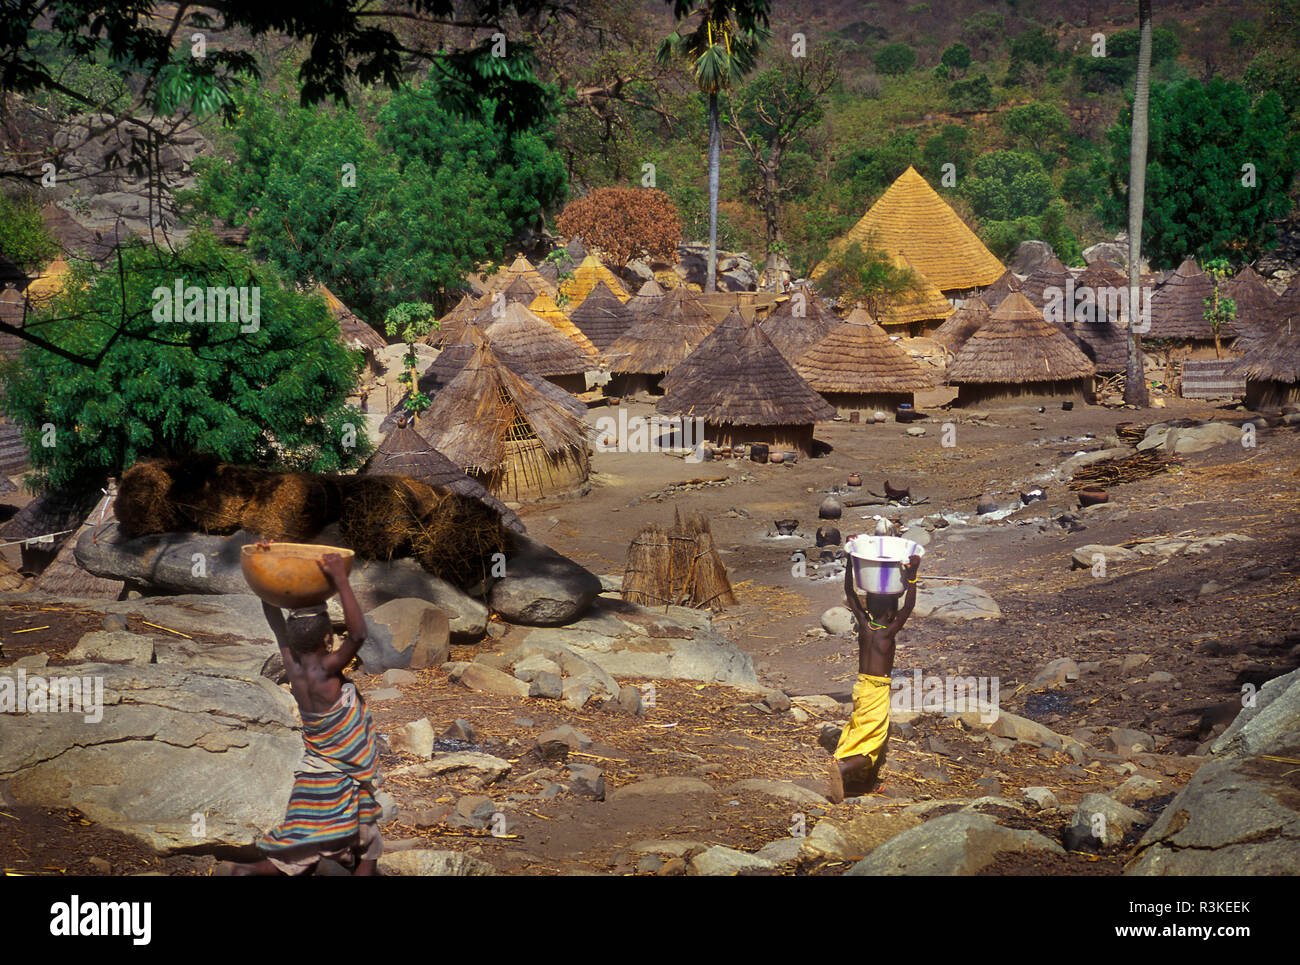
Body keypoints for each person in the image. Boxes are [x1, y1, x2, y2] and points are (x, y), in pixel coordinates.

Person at [222, 550, 383, 875]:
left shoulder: (293, 668)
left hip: (311, 777)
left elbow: (274, 617)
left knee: (299, 845)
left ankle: (250, 870)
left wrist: (262, 569)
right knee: (369, 844)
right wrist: (340, 579)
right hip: (341, 777)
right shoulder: (328, 668)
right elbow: (359, 635)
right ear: (328, 639)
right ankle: (253, 871)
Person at [827, 554, 921, 803]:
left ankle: (864, 782)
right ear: (891, 612)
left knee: (860, 730)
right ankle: (842, 769)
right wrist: (912, 577)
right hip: (878, 690)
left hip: (861, 686)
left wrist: (849, 561)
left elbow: (849, 592)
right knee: (874, 741)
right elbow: (909, 607)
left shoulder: (865, 626)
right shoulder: (888, 632)